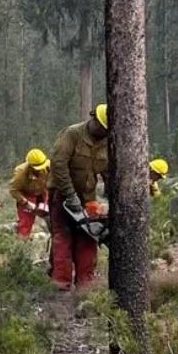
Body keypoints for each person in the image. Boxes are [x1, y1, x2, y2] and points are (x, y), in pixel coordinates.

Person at [49, 105, 110, 292]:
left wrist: (110, 196)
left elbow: (109, 170)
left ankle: (85, 286)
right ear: (94, 119)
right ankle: (61, 284)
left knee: (88, 239)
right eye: (101, 127)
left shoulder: (108, 141)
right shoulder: (72, 134)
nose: (102, 132)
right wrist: (70, 194)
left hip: (88, 198)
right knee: (63, 237)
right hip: (62, 195)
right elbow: (58, 164)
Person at [9, 149, 52, 237]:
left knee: (51, 217)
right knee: (26, 221)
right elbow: (13, 190)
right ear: (30, 166)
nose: (41, 170)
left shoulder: (49, 167)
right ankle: (22, 239)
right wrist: (25, 202)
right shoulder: (20, 173)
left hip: (43, 192)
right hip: (27, 195)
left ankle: (55, 237)